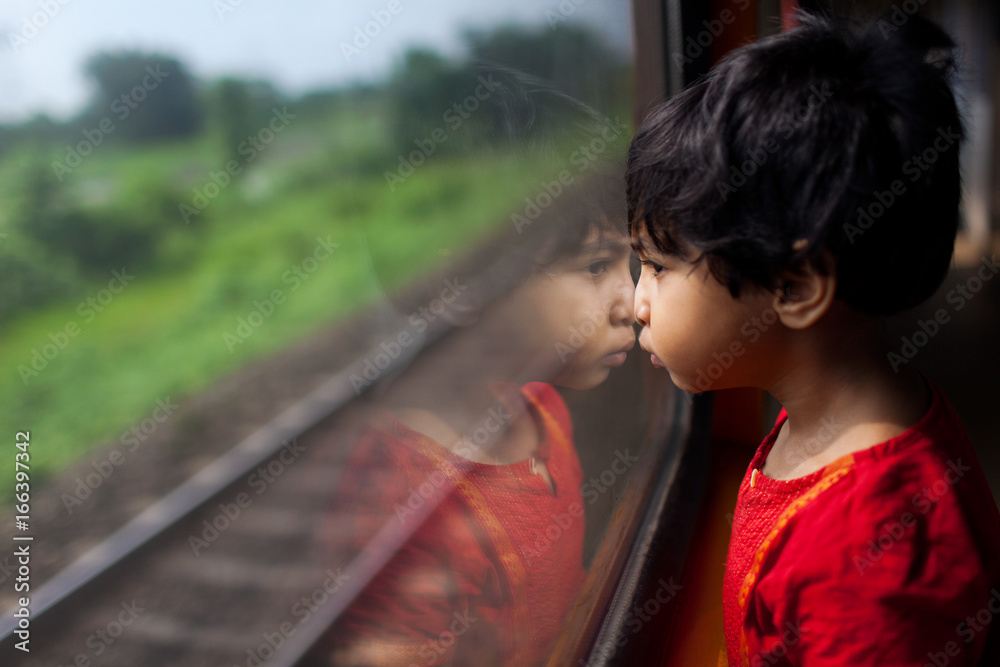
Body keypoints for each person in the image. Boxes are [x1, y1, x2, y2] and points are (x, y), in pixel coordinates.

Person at [626, 11, 1000, 666]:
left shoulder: (865, 550)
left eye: (658, 266)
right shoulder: (836, 419)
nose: (638, 302)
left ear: (796, 287)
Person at [314, 171, 636, 666]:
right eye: (596, 267)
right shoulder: (403, 494)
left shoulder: (542, 408)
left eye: (628, 265)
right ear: (462, 286)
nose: (632, 303)